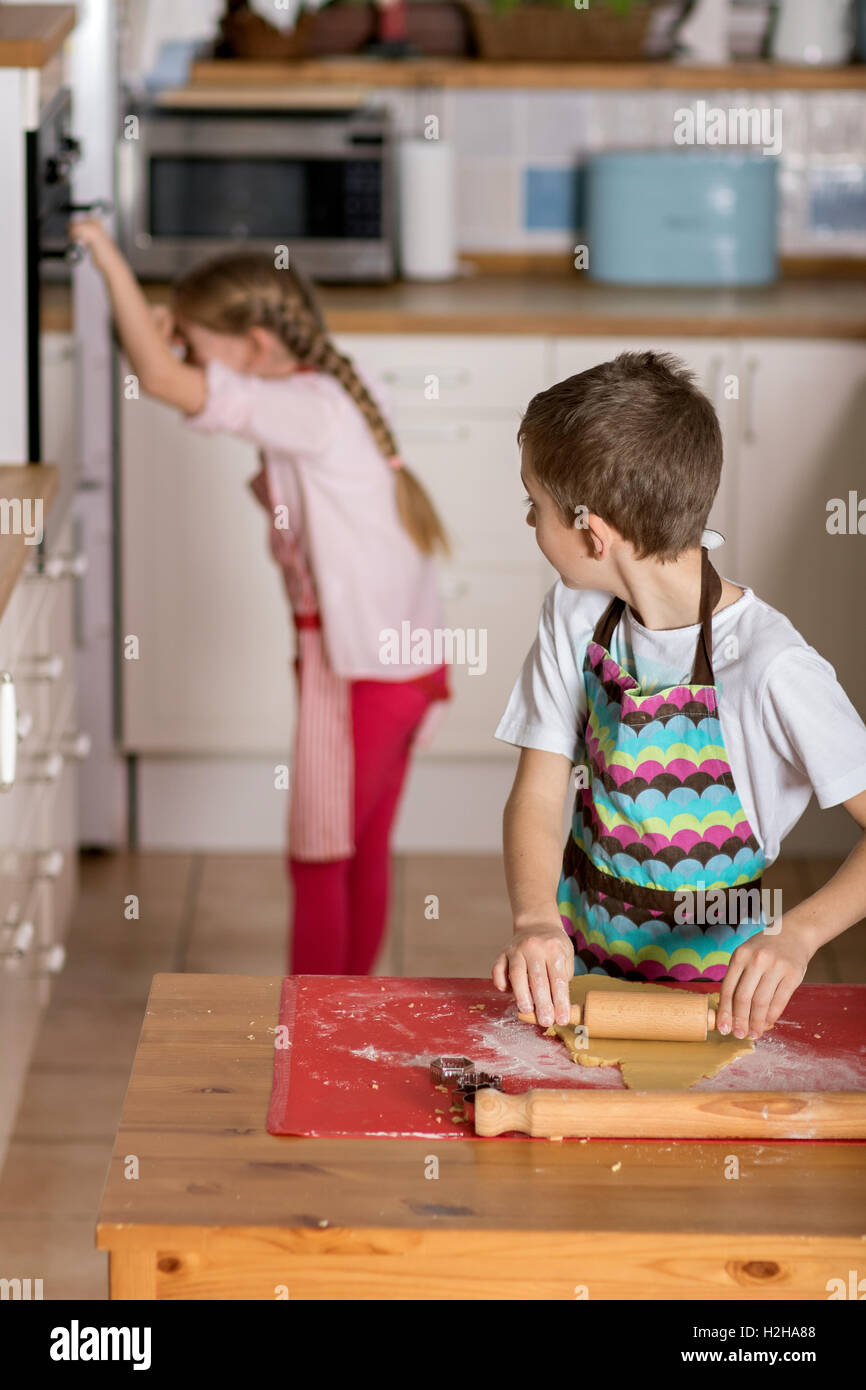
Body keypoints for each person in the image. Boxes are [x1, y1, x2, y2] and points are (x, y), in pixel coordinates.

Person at [70, 219, 451, 975]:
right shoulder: (334, 385)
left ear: (256, 345)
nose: (190, 358)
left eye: (200, 344)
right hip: (406, 665)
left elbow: (160, 379)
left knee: (318, 859)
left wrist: (107, 256)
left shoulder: (303, 409)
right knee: (359, 849)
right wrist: (166, 336)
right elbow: (173, 375)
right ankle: (347, 1015)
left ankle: (313, 1032)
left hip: (357, 678)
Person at [492, 351, 866, 1042]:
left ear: (592, 534)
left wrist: (800, 935)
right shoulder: (574, 613)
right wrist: (535, 920)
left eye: (533, 506)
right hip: (580, 974)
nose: (529, 522)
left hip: (716, 1003)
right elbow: (541, 792)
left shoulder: (769, 665)